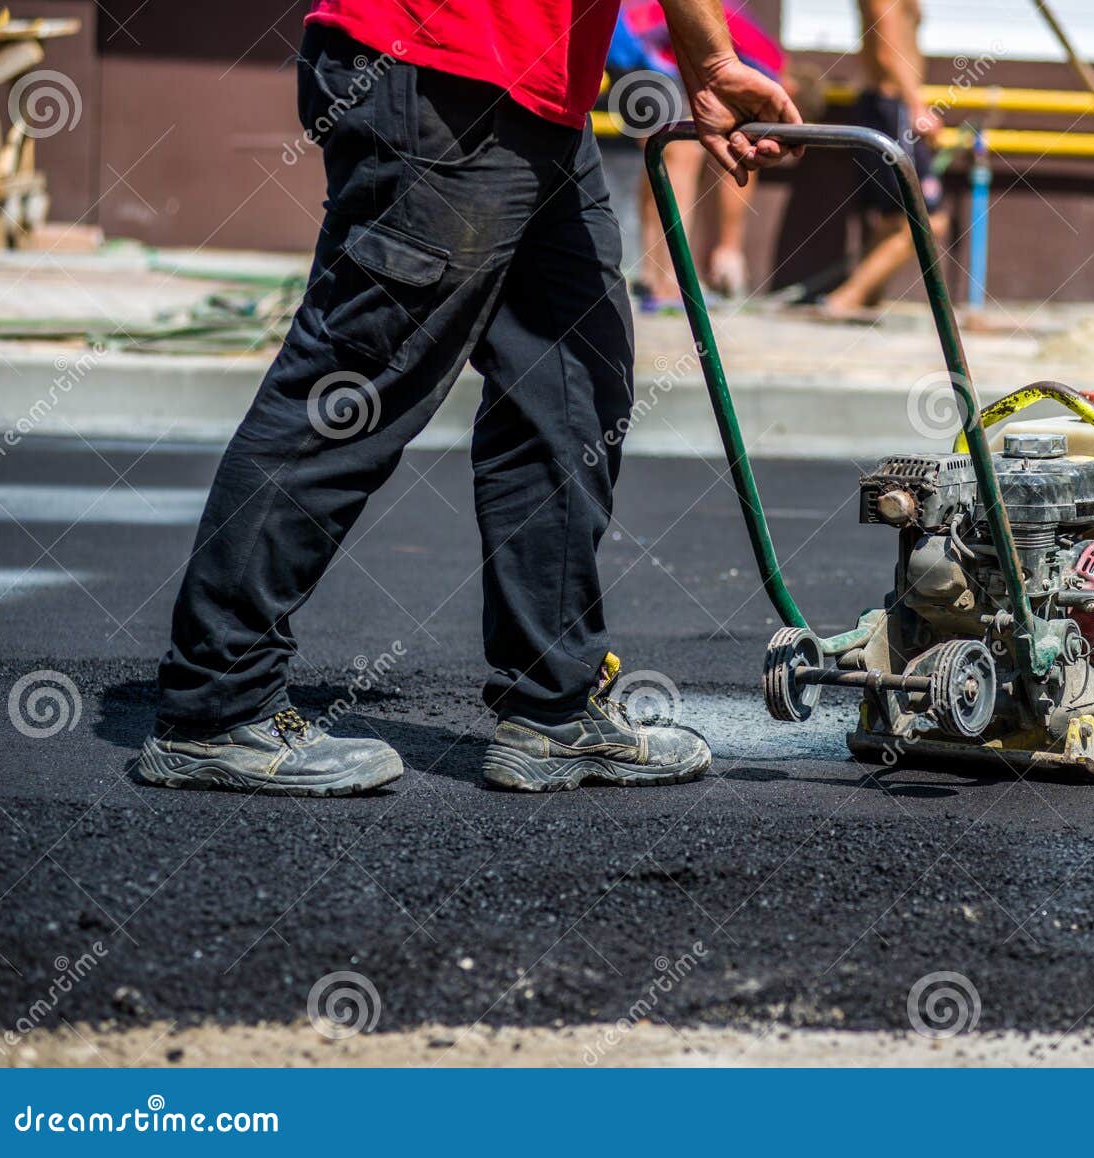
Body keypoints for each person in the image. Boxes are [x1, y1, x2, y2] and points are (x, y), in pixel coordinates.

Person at [135, 0, 800, 797]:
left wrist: (704, 73)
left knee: (571, 386)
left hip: (536, 93)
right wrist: (715, 66)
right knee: (356, 385)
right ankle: (216, 708)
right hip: (447, 67)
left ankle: (552, 708)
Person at [609, 0, 819, 305]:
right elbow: (742, 161)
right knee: (681, 154)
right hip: (640, 39)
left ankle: (656, 276)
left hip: (626, 41)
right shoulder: (769, 66)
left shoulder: (759, 60)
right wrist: (729, 248)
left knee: (662, 158)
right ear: (792, 92)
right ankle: (668, 282)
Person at [820, 0, 950, 318]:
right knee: (929, 221)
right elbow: (886, 52)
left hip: (891, 106)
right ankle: (846, 299)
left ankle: (864, 298)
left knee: (894, 219)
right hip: (892, 108)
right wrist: (917, 107)